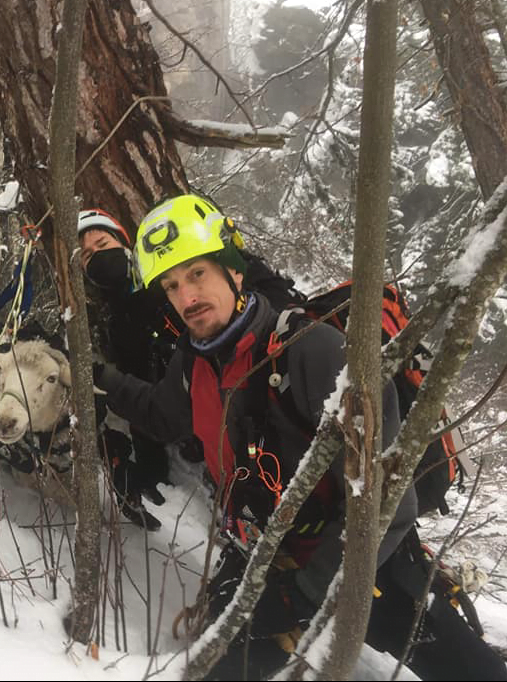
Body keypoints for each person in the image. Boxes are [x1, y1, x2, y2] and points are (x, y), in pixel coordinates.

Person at [93, 193, 424, 679]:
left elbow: (389, 501)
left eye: (198, 274)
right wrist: (96, 376)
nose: (187, 297)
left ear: (235, 272)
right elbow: (162, 416)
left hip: (367, 565)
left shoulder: (313, 353)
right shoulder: (196, 361)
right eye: (171, 285)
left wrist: (303, 594)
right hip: (269, 558)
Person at [78, 209, 188, 530]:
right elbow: (137, 387)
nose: (96, 255)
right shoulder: (111, 320)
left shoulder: (166, 280)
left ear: (124, 243)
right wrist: (140, 468)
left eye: (102, 243)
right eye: (87, 254)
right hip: (172, 419)